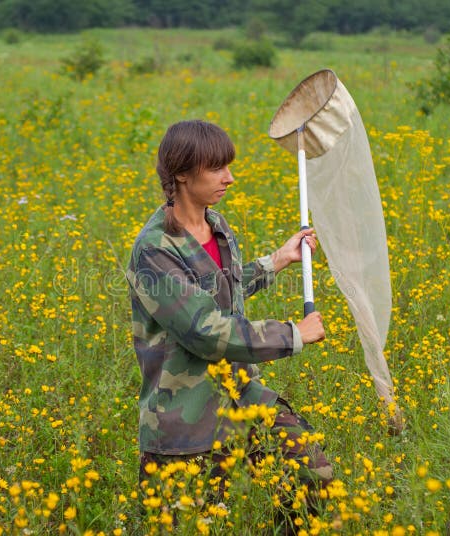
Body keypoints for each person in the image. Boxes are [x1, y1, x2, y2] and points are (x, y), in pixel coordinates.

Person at [126, 120, 333, 522]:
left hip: (240, 395)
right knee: (190, 524)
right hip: (185, 418)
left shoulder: (217, 227)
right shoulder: (154, 250)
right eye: (217, 168)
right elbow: (206, 331)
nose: (230, 178)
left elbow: (225, 291)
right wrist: (294, 335)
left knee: (313, 475)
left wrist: (277, 260)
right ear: (182, 174)